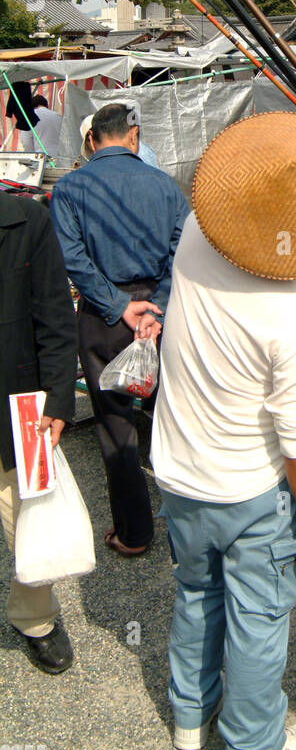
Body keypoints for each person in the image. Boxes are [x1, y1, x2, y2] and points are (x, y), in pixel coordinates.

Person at [151, 113, 296, 750]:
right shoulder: (294, 320)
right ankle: (254, 748)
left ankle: (190, 716)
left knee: (197, 592)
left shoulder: (196, 236)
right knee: (257, 623)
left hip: (177, 470)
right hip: (250, 489)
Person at [50, 102, 188, 556]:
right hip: (160, 317)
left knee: (115, 425)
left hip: (102, 317)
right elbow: (181, 253)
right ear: (134, 137)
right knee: (175, 416)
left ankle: (135, 533)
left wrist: (118, 306)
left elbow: (72, 259)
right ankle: (188, 529)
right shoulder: (165, 186)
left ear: (91, 141)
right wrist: (157, 310)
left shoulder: (70, 188)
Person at [0, 191, 78, 672]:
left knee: (27, 518)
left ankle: (35, 618)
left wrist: (59, 397)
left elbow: (54, 312)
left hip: (17, 404)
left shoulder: (26, 218)